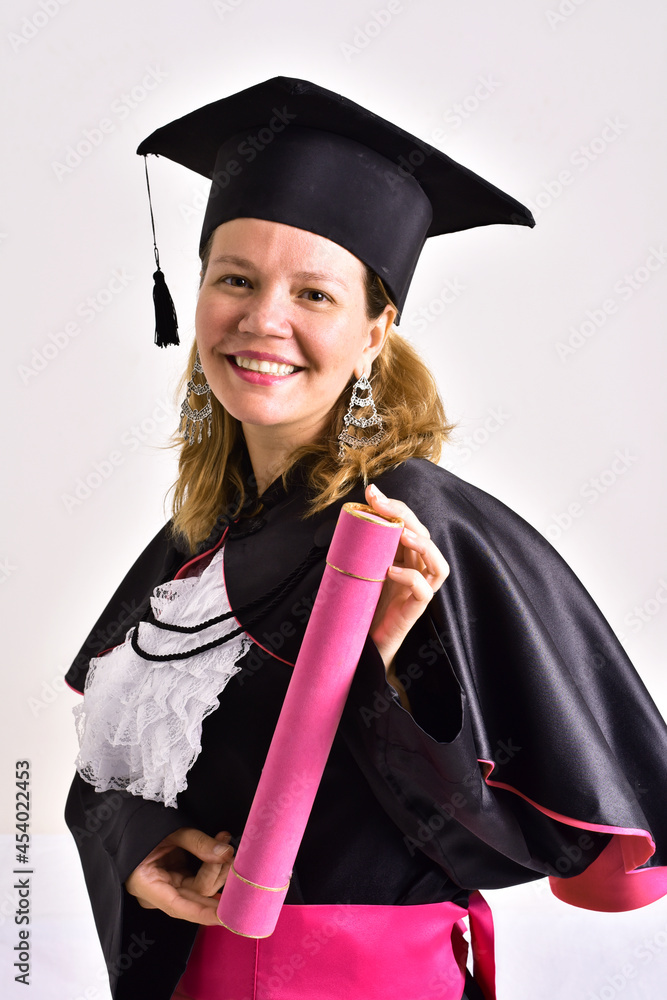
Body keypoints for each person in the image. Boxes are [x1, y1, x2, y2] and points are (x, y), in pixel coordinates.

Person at [65, 77, 667, 1000]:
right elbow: (100, 762)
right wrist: (141, 844)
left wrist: (398, 671)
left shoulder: (411, 523)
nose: (263, 320)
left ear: (376, 330)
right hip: (197, 974)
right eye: (235, 278)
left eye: (313, 292)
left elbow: (504, 844)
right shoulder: (198, 530)